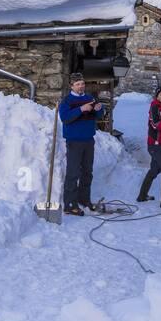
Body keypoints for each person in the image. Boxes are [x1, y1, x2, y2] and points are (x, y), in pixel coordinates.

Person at [58, 73, 105, 216]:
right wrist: (80, 109)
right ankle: (70, 204)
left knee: (87, 172)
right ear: (72, 86)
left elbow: (99, 115)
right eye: (77, 84)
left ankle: (84, 199)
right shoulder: (66, 100)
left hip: (88, 140)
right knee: (73, 173)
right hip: (74, 141)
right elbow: (65, 118)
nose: (81, 86)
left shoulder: (90, 98)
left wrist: (99, 109)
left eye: (82, 83)